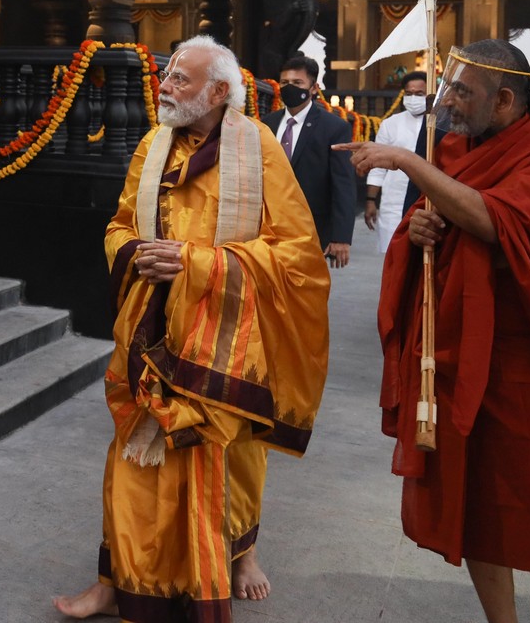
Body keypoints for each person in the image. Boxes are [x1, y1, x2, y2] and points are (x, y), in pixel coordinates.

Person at [54, 36, 330, 622]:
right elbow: (120, 224)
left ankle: (240, 553)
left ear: (220, 91)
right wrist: (136, 254)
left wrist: (195, 263)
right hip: (152, 324)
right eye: (168, 75)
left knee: (231, 456)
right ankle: (117, 578)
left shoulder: (257, 147)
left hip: (227, 332)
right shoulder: (154, 144)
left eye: (180, 78)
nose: (165, 86)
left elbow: (296, 252)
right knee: (133, 449)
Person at [339, 39, 530, 623]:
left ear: (504, 100)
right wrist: (419, 230)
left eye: (461, 90)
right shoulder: (450, 148)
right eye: (448, 87)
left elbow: (495, 219)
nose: (446, 100)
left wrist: (407, 164)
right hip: (457, 344)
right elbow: (432, 221)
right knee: (479, 496)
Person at [262, 55, 355, 268]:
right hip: (269, 226)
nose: (289, 88)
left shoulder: (334, 127)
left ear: (314, 88)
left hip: (312, 228)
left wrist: (341, 237)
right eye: (284, 82)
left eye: (297, 83)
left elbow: (343, 184)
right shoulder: (267, 124)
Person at [365, 72, 428, 256]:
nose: (413, 98)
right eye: (409, 93)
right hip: (394, 202)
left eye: (419, 94)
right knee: (393, 254)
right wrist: (370, 200)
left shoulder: (440, 124)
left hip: (428, 200)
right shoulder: (390, 124)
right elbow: (377, 167)